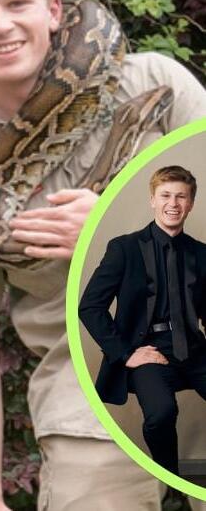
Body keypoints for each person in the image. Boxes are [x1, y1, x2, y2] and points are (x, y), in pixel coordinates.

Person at [0, 0, 206, 510]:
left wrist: (109, 228)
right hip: (94, 398)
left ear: (55, 10)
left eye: (17, 3)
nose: (0, 25)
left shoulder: (154, 84)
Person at [79, 165, 206, 475]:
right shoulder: (124, 248)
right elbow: (90, 306)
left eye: (181, 197)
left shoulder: (202, 254)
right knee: (161, 413)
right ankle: (168, 478)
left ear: (190, 203)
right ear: (152, 199)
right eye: (165, 196)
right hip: (147, 350)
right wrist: (126, 353)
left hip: (194, 349)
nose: (173, 204)